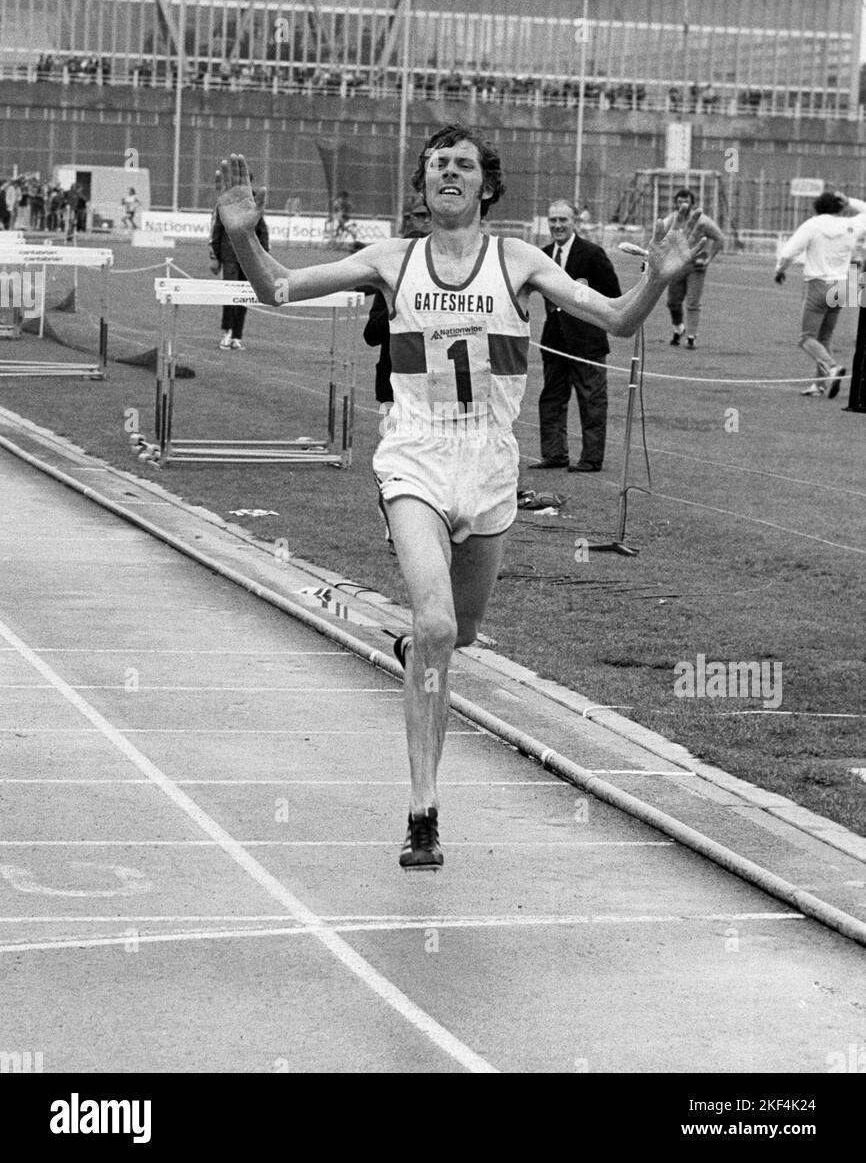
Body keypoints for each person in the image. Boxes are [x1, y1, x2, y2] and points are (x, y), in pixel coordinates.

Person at [214, 125, 708, 870]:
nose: (449, 172)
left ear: (486, 184)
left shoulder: (518, 261)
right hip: (415, 455)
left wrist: (657, 280)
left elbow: (613, 319)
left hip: (489, 465)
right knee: (438, 623)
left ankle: (423, 652)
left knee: (459, 635)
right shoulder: (392, 260)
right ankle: (422, 812)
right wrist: (245, 238)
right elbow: (277, 289)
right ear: (422, 185)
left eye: (464, 164)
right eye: (437, 164)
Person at [530, 198, 621, 472]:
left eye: (563, 220)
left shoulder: (592, 254)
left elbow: (613, 296)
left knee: (591, 400)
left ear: (575, 222)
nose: (558, 225)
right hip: (554, 342)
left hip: (587, 343)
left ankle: (591, 458)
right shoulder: (542, 255)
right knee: (551, 398)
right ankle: (554, 454)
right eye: (553, 220)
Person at [774, 188, 866, 398]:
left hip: (819, 282)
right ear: (840, 206)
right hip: (846, 284)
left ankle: (832, 368)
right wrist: (849, 200)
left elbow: (789, 251)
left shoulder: (813, 224)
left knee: (806, 338)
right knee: (824, 337)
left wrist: (780, 270)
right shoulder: (851, 224)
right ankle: (820, 385)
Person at [363, 199, 431, 404]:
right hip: (393, 389)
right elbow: (371, 336)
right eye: (420, 216)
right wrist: (399, 302)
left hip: (437, 391)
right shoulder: (390, 283)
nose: (426, 220)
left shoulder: (452, 281)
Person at [209, 175, 270, 351]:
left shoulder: (253, 202)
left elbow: (262, 231)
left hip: (249, 258)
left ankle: (237, 336)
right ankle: (227, 332)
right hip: (230, 256)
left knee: (244, 296)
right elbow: (217, 231)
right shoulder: (226, 202)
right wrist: (215, 257)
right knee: (230, 294)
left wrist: (263, 256)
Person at [665, 188, 725, 347]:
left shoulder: (703, 221)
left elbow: (720, 239)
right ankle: (678, 329)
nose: (682, 205)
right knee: (672, 302)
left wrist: (708, 259)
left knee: (692, 302)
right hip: (676, 265)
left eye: (686, 201)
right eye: (679, 202)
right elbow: (660, 237)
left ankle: (691, 336)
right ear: (675, 203)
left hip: (695, 266)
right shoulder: (672, 219)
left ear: (692, 203)